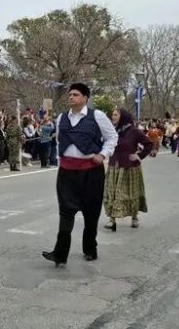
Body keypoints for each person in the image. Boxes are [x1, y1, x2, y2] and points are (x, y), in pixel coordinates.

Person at [42, 83, 118, 267]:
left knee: (91, 213)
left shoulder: (97, 116)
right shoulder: (62, 118)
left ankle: (90, 248)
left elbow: (112, 137)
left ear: (85, 98)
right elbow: (61, 140)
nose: (71, 97)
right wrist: (61, 159)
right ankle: (60, 254)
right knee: (65, 211)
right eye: (70, 95)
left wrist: (102, 154)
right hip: (67, 172)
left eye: (75, 94)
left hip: (91, 172)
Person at [103, 108, 153, 231]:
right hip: (114, 167)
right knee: (113, 192)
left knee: (132, 192)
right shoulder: (113, 131)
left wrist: (139, 155)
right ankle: (112, 219)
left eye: (115, 115)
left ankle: (135, 217)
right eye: (112, 115)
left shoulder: (134, 131)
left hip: (129, 168)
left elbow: (149, 144)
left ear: (123, 116)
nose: (113, 117)